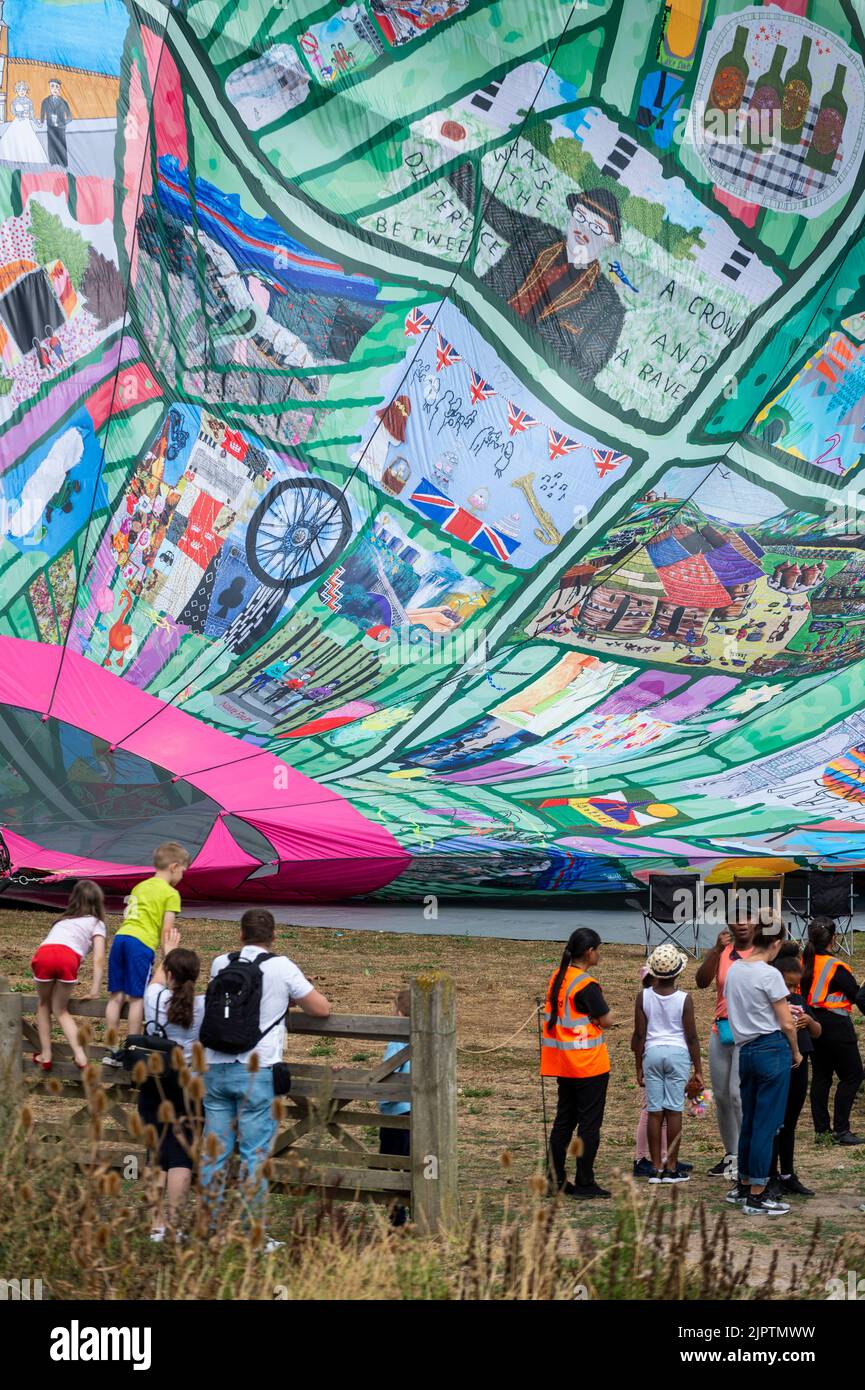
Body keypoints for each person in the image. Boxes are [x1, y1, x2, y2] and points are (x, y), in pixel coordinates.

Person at [199, 908, 330, 1239]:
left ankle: (211, 1228)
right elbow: (321, 1009)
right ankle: (251, 1233)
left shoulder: (220, 964)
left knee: (214, 1153)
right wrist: (290, 994)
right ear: (274, 937)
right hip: (257, 1070)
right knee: (254, 1156)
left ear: (240, 935)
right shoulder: (282, 967)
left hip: (216, 1067)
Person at [445, 163, 625, 380]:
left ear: (610, 240)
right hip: (473, 328)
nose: (584, 230)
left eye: (596, 228)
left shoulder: (608, 306)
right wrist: (457, 168)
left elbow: (583, 372)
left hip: (519, 376)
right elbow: (492, 211)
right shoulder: (539, 236)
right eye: (581, 216)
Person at [724, 912, 802, 1216]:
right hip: (771, 1048)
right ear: (777, 942)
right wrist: (795, 1051)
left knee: (751, 1121)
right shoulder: (769, 974)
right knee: (766, 1126)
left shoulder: (735, 970)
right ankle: (758, 1193)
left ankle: (743, 1184)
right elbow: (786, 1022)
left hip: (745, 1050)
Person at [138, 929, 204, 1240]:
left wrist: (166, 951)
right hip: (189, 1085)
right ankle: (175, 1227)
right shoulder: (202, 1007)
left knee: (155, 1154)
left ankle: (156, 1224)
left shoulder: (155, 998)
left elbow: (155, 982)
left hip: (155, 1081)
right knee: (181, 1156)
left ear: (168, 972)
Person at [540, 926, 613, 1200]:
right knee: (589, 1125)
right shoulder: (586, 985)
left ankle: (555, 1179)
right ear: (589, 952)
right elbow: (606, 1019)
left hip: (565, 1062)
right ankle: (585, 1182)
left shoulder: (558, 977)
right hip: (589, 1064)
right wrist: (598, 1021)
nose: (600, 955)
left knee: (563, 1123)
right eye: (599, 950)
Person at [105, 842, 189, 1049]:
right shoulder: (171, 894)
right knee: (136, 998)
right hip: (140, 944)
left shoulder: (139, 886)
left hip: (121, 938)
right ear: (174, 866)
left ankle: (111, 1046)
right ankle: (132, 1046)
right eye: (183, 871)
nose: (182, 876)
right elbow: (166, 931)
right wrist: (167, 957)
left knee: (116, 996)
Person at [633, 944, 703, 1184]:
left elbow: (639, 1035)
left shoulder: (644, 996)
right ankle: (671, 1167)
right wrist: (698, 1069)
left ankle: (654, 1167)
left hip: (651, 1053)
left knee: (654, 1111)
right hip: (677, 1054)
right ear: (677, 973)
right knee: (674, 1110)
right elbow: (691, 1036)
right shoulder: (684, 999)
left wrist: (638, 1065)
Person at [695, 912, 756, 1179]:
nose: (741, 923)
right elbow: (701, 981)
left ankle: (746, 1155)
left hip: (748, 1031)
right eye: (736, 919)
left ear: (756, 923)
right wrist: (715, 950)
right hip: (720, 1029)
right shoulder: (724, 951)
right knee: (720, 1097)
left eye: (747, 918)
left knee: (736, 1095)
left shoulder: (763, 952)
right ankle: (731, 1153)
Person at [30, 879, 107, 1069]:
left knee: (43, 1004)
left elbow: (53, 942)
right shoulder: (97, 923)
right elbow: (98, 958)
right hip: (68, 958)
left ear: (73, 900)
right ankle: (81, 1056)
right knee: (61, 1010)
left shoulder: (63, 921)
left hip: (45, 954)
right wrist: (95, 988)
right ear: (98, 901)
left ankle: (46, 1055)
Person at [802, 917, 865, 1145]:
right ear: (833, 939)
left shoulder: (803, 961)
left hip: (811, 1024)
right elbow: (856, 996)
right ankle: (842, 1129)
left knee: (821, 1076)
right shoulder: (834, 966)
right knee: (852, 1075)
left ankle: (822, 1131)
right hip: (836, 1024)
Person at [767, 942, 820, 1198]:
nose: (790, 991)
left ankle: (788, 1173)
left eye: (794, 986)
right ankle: (771, 1174)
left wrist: (809, 1021)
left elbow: (819, 1032)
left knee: (790, 1122)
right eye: (786, 985)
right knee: (774, 1123)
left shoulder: (799, 1000)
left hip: (800, 1065)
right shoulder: (771, 1003)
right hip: (779, 1063)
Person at [378, 987, 411, 1227]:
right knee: (414, 1164)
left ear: (399, 1014)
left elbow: (388, 1073)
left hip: (395, 1113)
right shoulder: (428, 1040)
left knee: (390, 1166)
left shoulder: (398, 1041)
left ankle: (397, 1216)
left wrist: (381, 1096)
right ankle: (419, 1209)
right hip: (417, 1112)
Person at [0, 81, 48, 166]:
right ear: (16, 91)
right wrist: (18, 114)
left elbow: (32, 114)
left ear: (26, 91)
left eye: (24, 90)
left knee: (27, 139)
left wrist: (37, 123)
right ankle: (16, 157)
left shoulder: (29, 101)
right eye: (19, 90)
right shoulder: (15, 101)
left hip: (26, 123)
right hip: (17, 122)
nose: (22, 91)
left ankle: (25, 158)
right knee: (16, 139)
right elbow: (13, 111)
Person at [40, 78, 71, 168]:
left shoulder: (63, 102)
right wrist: (41, 122)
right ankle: (53, 163)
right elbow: (42, 113)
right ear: (49, 88)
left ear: (60, 89)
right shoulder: (45, 101)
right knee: (52, 145)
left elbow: (69, 117)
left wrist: (61, 123)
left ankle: (63, 163)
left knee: (61, 145)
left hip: (60, 128)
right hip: (50, 127)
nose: (54, 89)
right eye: (52, 86)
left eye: (57, 87)